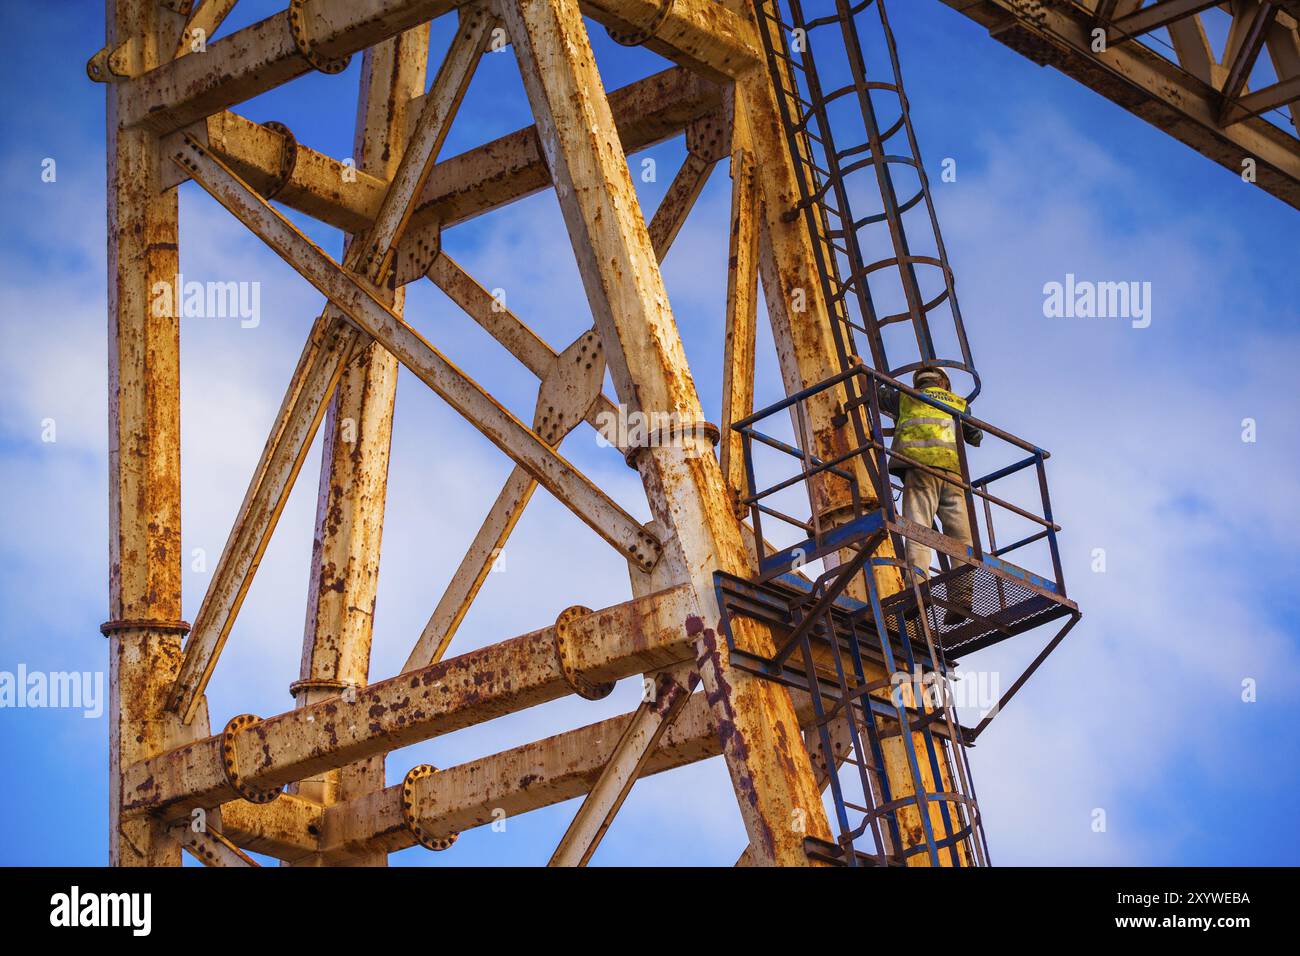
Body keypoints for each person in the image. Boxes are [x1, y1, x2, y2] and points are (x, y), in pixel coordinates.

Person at [877, 366, 981, 624]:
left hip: (919, 470)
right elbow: (975, 436)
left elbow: (876, 394)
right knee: (961, 537)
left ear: (919, 383)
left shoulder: (905, 397)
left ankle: (918, 589)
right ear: (944, 383)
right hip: (952, 476)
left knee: (918, 529)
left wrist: (857, 366)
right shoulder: (958, 402)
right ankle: (961, 597)